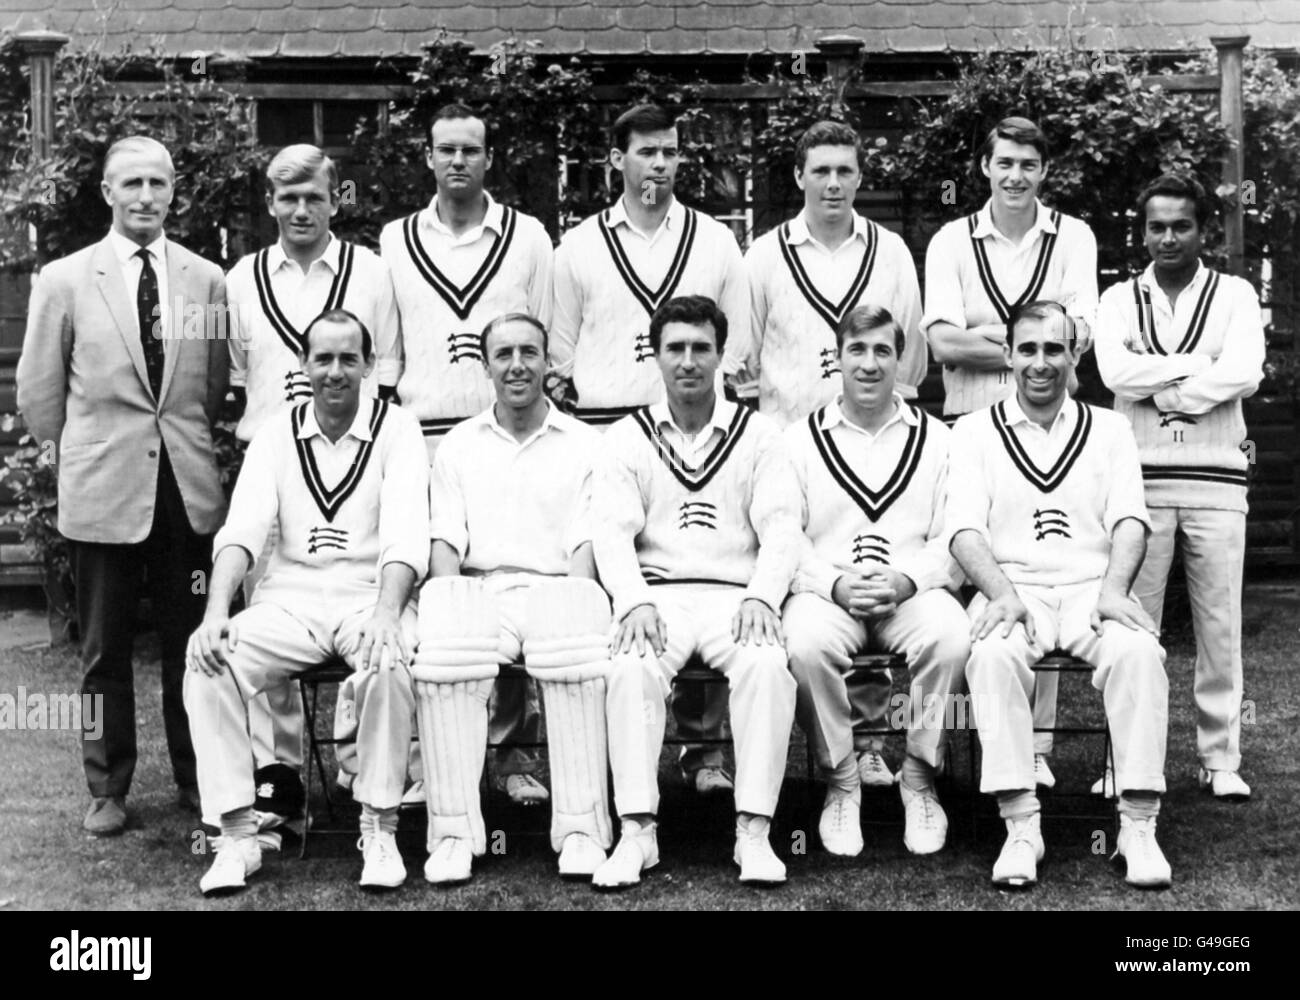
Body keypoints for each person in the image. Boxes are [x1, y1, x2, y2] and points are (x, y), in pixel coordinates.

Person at [17, 135, 229, 835]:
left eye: (158, 184)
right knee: (103, 649)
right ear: (107, 191)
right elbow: (41, 394)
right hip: (103, 489)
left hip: (185, 488)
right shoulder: (65, 279)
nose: (145, 196)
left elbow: (214, 382)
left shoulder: (205, 280)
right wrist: (84, 453)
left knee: (193, 644)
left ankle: (204, 779)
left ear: (175, 192)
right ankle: (106, 786)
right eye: (131, 183)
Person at [183, 309, 429, 895]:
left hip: (369, 599)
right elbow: (241, 531)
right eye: (324, 358)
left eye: (349, 359)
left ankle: (379, 825)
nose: (336, 372)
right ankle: (238, 835)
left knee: (390, 661)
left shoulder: (399, 429)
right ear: (303, 364)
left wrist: (388, 615)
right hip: (290, 601)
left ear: (370, 364)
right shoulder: (274, 433)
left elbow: (406, 534)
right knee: (208, 661)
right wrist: (216, 613)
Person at [552, 103, 748, 794]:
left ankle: (705, 751)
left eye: (669, 152)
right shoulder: (575, 247)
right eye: (645, 153)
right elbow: (560, 354)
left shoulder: (717, 241)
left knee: (696, 574)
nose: (659, 165)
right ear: (618, 160)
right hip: (607, 432)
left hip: (695, 434)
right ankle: (609, 763)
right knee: (614, 595)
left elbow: (737, 347)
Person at [947, 300, 1172, 890]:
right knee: (990, 654)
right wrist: (998, 593)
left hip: (1092, 589)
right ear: (1007, 355)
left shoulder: (1111, 427)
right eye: (1028, 349)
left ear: (1075, 356)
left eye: (1054, 349)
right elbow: (964, 529)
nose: (1040, 363)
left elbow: (1129, 518)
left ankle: (1138, 825)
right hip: (1015, 589)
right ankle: (1022, 825)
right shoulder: (972, 432)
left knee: (1140, 653)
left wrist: (1116, 589)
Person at [737, 119, 929, 787]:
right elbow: (743, 360)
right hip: (791, 455)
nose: (834, 182)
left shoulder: (892, 253)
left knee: (875, 580)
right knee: (806, 599)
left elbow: (911, 358)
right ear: (799, 177)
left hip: (873, 448)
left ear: (859, 176)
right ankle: (804, 755)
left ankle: (873, 744)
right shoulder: (762, 256)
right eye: (820, 170)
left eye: (845, 170)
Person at [592, 295, 800, 889]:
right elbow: (610, 531)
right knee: (630, 666)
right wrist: (633, 601)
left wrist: (762, 596)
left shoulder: (759, 434)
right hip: (659, 598)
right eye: (675, 348)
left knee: (766, 664)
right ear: (655, 356)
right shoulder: (627, 437)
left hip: (736, 595)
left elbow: (782, 527)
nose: (688, 361)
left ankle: (754, 832)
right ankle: (638, 832)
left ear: (720, 355)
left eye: (700, 348)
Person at [380, 103, 555, 806]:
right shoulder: (393, 241)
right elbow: (386, 356)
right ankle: (435, 755)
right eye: (445, 149)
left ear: (489, 158)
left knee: (511, 577)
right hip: (421, 440)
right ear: (427, 157)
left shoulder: (530, 237)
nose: (458, 160)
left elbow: (538, 338)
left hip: (505, 431)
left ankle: (512, 754)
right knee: (433, 596)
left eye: (471, 150)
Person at [225, 143, 403, 818]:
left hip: (355, 468)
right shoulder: (240, 279)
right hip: (274, 471)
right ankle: (279, 775)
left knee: (369, 617)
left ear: (336, 200)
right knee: (269, 616)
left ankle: (363, 768)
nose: (301, 209)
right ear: (269, 202)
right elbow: (237, 381)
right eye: (287, 197)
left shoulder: (372, 273)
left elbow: (386, 371)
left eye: (315, 197)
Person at [922, 115, 1100, 788]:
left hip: (1052, 423)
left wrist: (998, 338)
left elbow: (1084, 331)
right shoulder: (950, 240)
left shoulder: (1073, 236)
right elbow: (942, 343)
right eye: (1005, 163)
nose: (1016, 175)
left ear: (1043, 171)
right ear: (985, 169)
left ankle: (1037, 749)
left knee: (1046, 569)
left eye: (1029, 163)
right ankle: (946, 744)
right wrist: (1035, 340)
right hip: (971, 421)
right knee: (966, 585)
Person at [415, 313, 612, 884]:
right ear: (486, 366)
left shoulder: (585, 444)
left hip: (560, 587)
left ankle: (579, 829)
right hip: (484, 588)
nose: (518, 364)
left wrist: (575, 600)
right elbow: (445, 542)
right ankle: (454, 833)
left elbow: (587, 543)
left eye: (529, 352)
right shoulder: (458, 444)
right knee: (446, 652)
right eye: (503, 354)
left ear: (549, 362)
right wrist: (451, 600)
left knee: (573, 651)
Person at [1094, 173, 1264, 801]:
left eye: (1181, 225)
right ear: (1143, 232)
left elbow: (1244, 372)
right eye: (1156, 226)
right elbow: (1114, 370)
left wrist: (1162, 389)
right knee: (1134, 628)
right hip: (1137, 490)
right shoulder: (1116, 300)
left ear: (1203, 231)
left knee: (1220, 627)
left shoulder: (1236, 294)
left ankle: (1220, 758)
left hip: (1219, 483)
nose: (1168, 237)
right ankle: (1125, 761)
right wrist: (1200, 368)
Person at [782, 305, 967, 858]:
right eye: (856, 351)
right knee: (804, 647)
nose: (869, 364)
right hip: (827, 593)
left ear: (900, 359)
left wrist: (910, 580)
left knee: (952, 638)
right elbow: (783, 537)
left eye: (882, 350)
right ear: (836, 359)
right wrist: (832, 586)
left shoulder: (939, 439)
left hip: (910, 592)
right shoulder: (797, 440)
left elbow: (954, 536)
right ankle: (841, 779)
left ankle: (917, 774)